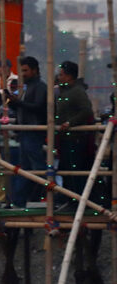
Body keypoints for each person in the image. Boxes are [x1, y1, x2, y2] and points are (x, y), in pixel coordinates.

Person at [6, 56, 47, 208]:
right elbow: (24, 107)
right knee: (26, 169)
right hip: (25, 131)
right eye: (21, 71)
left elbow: (38, 106)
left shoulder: (40, 87)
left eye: (25, 70)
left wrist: (19, 103)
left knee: (37, 167)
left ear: (34, 70)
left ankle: (51, 193)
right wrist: (13, 103)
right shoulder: (26, 87)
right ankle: (19, 200)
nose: (23, 74)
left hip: (33, 131)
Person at [55, 60, 95, 209]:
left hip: (75, 140)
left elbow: (87, 111)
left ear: (69, 76)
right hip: (66, 139)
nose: (59, 77)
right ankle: (70, 199)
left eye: (61, 75)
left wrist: (70, 123)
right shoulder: (64, 91)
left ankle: (76, 201)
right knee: (66, 171)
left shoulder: (77, 92)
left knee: (74, 171)